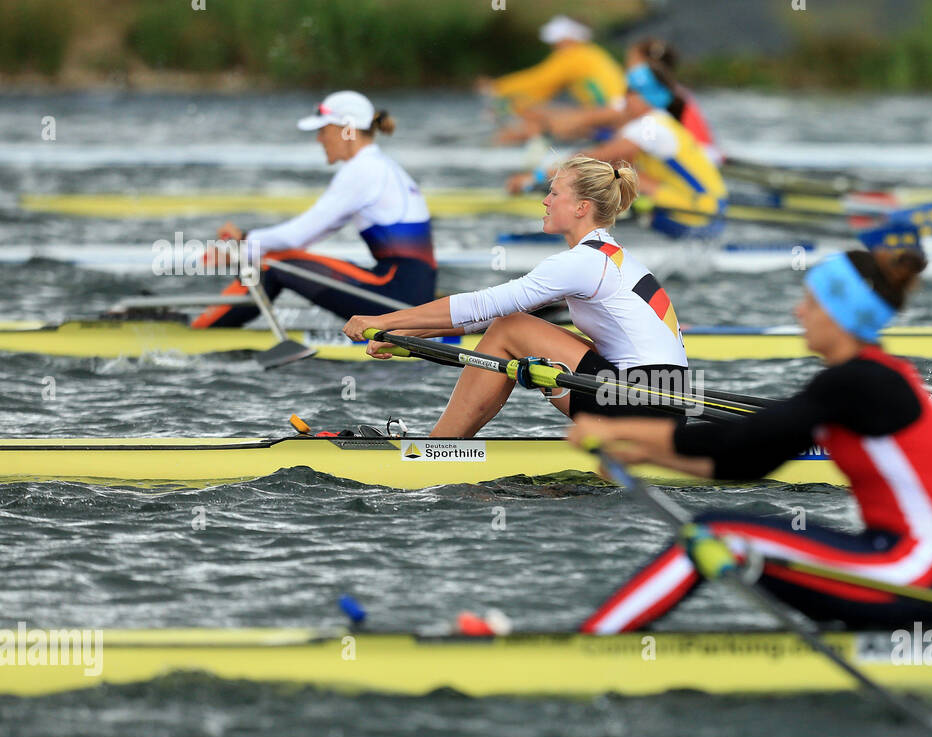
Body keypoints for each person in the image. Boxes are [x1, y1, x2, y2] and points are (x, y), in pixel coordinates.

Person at [567, 242, 932, 633]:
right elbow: (745, 462)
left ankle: (588, 647)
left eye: (811, 303)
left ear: (838, 313)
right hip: (911, 568)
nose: (800, 312)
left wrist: (621, 431)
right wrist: (640, 451)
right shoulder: (866, 378)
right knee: (722, 530)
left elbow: (746, 441)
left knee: (717, 535)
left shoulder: (859, 382)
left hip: (911, 573)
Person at [341, 156, 688, 437]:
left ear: (582, 207)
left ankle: (439, 449)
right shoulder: (612, 256)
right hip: (660, 398)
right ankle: (445, 445)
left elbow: (484, 306)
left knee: (511, 327)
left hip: (641, 407)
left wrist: (383, 321)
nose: (545, 200)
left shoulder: (583, 262)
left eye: (554, 193)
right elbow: (481, 316)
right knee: (516, 327)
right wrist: (409, 337)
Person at [193, 91, 436, 329]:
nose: (319, 139)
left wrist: (242, 246)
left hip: (396, 296)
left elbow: (295, 236)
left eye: (323, 130)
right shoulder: (381, 166)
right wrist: (246, 246)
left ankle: (201, 329)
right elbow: (305, 237)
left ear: (347, 129)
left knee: (273, 263)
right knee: (275, 256)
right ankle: (213, 321)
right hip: (409, 293)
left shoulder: (363, 170)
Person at [507, 64, 727, 238]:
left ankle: (580, 228)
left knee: (607, 173)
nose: (624, 98)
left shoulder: (651, 127)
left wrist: (533, 177)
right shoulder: (655, 122)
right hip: (703, 206)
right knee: (617, 172)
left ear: (646, 96)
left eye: (630, 92)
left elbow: (590, 159)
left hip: (699, 213)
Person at [535, 38, 721, 163]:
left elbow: (592, 117)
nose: (626, 67)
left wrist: (545, 125)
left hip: (693, 159)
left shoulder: (643, 94)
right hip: (703, 153)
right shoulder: (671, 91)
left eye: (631, 61)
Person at [483, 15, 627, 145]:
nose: (553, 46)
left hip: (613, 112)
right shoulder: (590, 53)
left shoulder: (574, 56)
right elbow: (543, 88)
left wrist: (497, 87)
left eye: (557, 41)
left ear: (568, 39)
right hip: (614, 109)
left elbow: (539, 80)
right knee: (533, 112)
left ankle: (505, 145)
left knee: (535, 115)